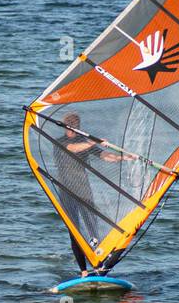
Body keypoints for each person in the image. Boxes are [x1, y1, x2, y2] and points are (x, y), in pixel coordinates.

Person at [49, 112, 129, 273]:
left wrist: (123, 157)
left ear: (78, 128)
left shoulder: (83, 142)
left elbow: (105, 156)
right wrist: (94, 142)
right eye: (70, 127)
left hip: (84, 190)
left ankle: (97, 264)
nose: (73, 130)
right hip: (67, 192)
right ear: (65, 128)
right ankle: (83, 271)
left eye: (75, 127)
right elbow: (73, 149)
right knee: (75, 232)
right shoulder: (60, 142)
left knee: (92, 228)